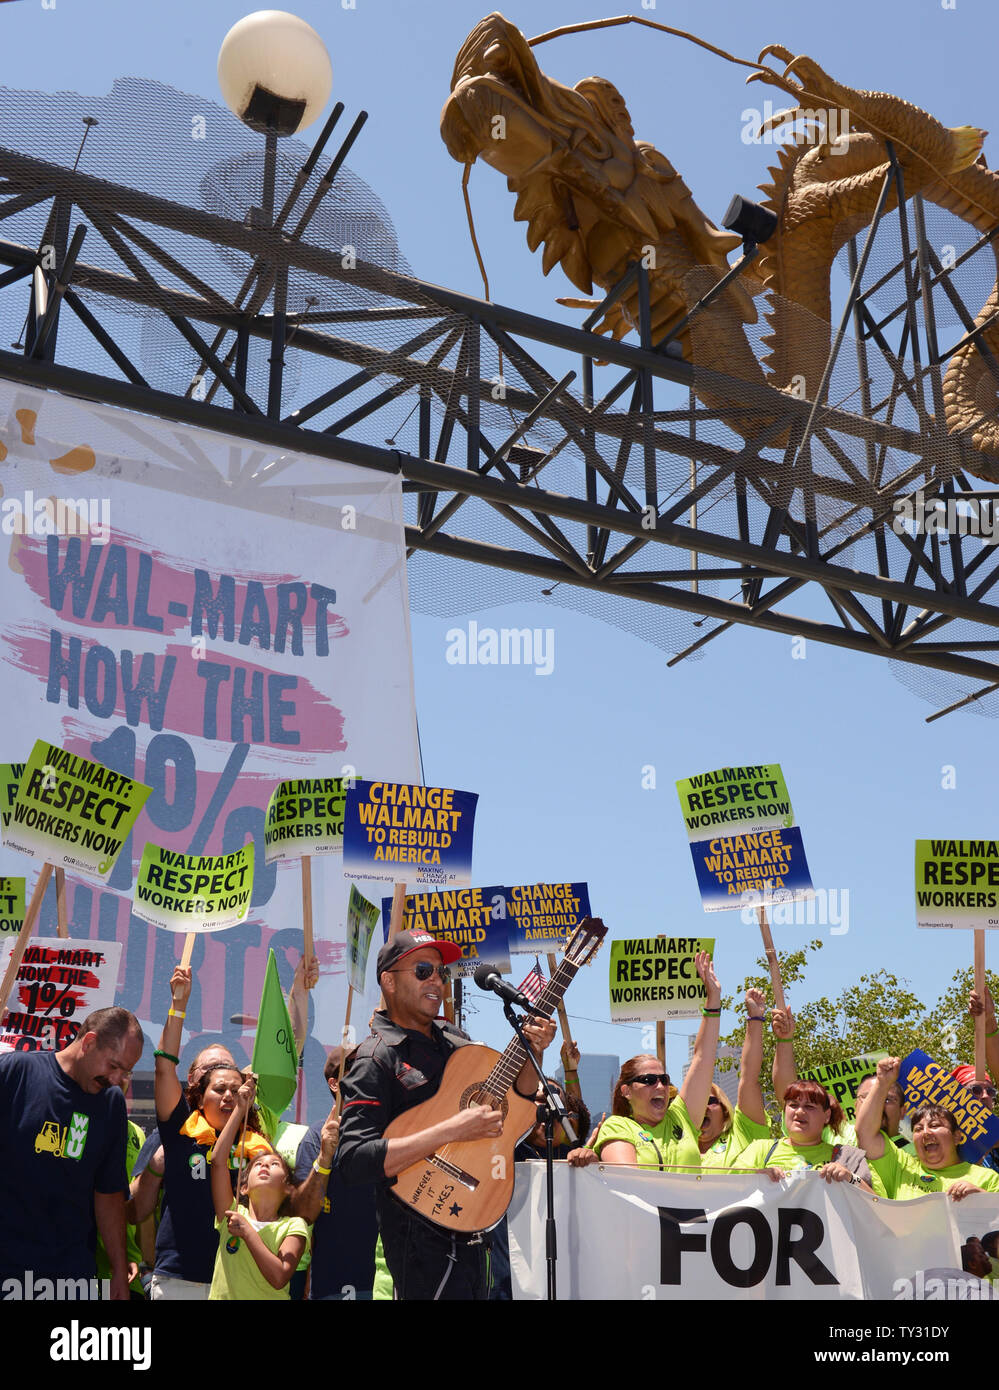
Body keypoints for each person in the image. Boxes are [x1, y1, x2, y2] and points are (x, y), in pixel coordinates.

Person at [336, 929, 556, 1301]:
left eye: (443, 973)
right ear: (388, 981)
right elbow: (353, 1160)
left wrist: (535, 1050)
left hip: (478, 1231)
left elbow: (515, 1098)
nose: (437, 980)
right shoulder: (375, 1058)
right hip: (419, 1242)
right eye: (423, 970)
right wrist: (450, 1130)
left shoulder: (457, 1040)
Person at [0, 1005, 144, 1299]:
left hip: (68, 1275)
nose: (117, 1080)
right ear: (88, 1042)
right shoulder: (15, 1072)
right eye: (113, 1066)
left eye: (126, 1071)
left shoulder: (110, 1104)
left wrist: (118, 1269)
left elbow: (108, 1195)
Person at [146, 967, 271, 1298]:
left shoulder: (257, 1147)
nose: (229, 1096)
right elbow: (163, 1066)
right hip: (180, 1281)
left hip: (235, 1280)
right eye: (219, 1089)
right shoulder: (181, 1130)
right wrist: (178, 1004)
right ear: (199, 1096)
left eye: (236, 1089)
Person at [576, 951, 721, 1170]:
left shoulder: (682, 1116)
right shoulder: (617, 1126)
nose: (661, 1085)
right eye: (649, 1079)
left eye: (664, 1078)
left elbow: (703, 1057)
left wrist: (714, 997)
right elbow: (631, 1183)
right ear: (626, 1091)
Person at [209, 1074, 308, 1300]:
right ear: (243, 1188)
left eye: (274, 1164)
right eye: (257, 1165)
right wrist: (240, 1110)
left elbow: (279, 1277)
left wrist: (247, 1231)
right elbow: (217, 1162)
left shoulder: (294, 1226)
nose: (265, 1165)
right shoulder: (231, 1214)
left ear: (287, 1187)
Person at [292, 1046, 380, 1300]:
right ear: (334, 1084)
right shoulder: (315, 1137)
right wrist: (325, 1157)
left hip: (390, 1284)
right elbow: (303, 1214)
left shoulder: (392, 1129)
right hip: (332, 1284)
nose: (367, 1074)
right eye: (356, 1067)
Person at [855, 1056, 999, 1199]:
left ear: (957, 1137)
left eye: (935, 1125)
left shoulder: (988, 1178)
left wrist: (984, 1199)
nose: (925, 1132)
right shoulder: (901, 1167)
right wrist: (882, 1083)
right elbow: (865, 1133)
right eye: (918, 1129)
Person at [738, 1078, 873, 1190]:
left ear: (826, 1116)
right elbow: (727, 1190)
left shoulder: (848, 1157)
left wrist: (849, 1178)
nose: (799, 1112)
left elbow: (877, 1202)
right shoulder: (760, 1149)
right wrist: (757, 1178)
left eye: (809, 1107)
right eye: (793, 1105)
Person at [699, 987, 771, 1168]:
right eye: (697, 1101)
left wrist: (755, 1018)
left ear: (724, 1111)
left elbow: (748, 1078)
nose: (702, 1106)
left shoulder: (742, 1132)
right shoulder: (676, 1144)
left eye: (710, 1101)